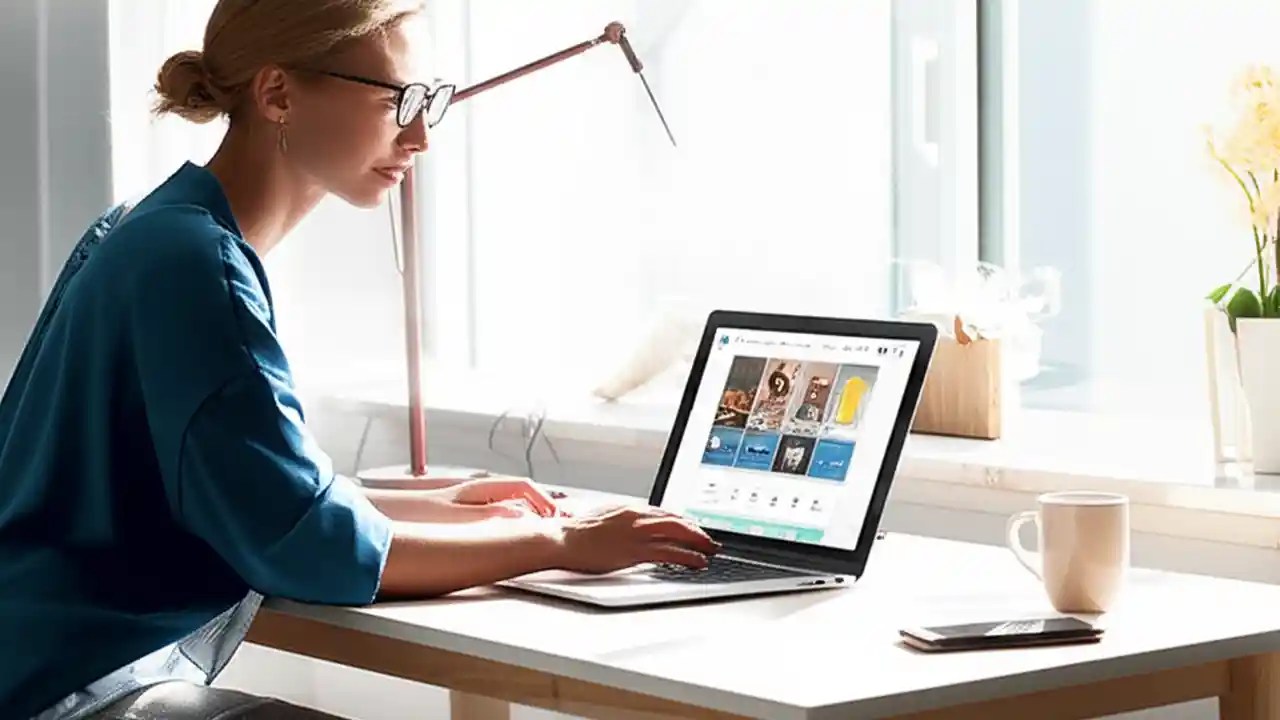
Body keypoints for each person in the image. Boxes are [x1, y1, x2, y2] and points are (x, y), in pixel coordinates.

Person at [0, 1, 720, 718]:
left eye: (427, 100)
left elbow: (251, 496)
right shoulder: (195, 266)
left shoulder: (146, 229)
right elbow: (306, 545)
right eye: (397, 99)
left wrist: (444, 509)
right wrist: (557, 541)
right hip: (63, 689)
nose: (420, 136)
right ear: (278, 92)